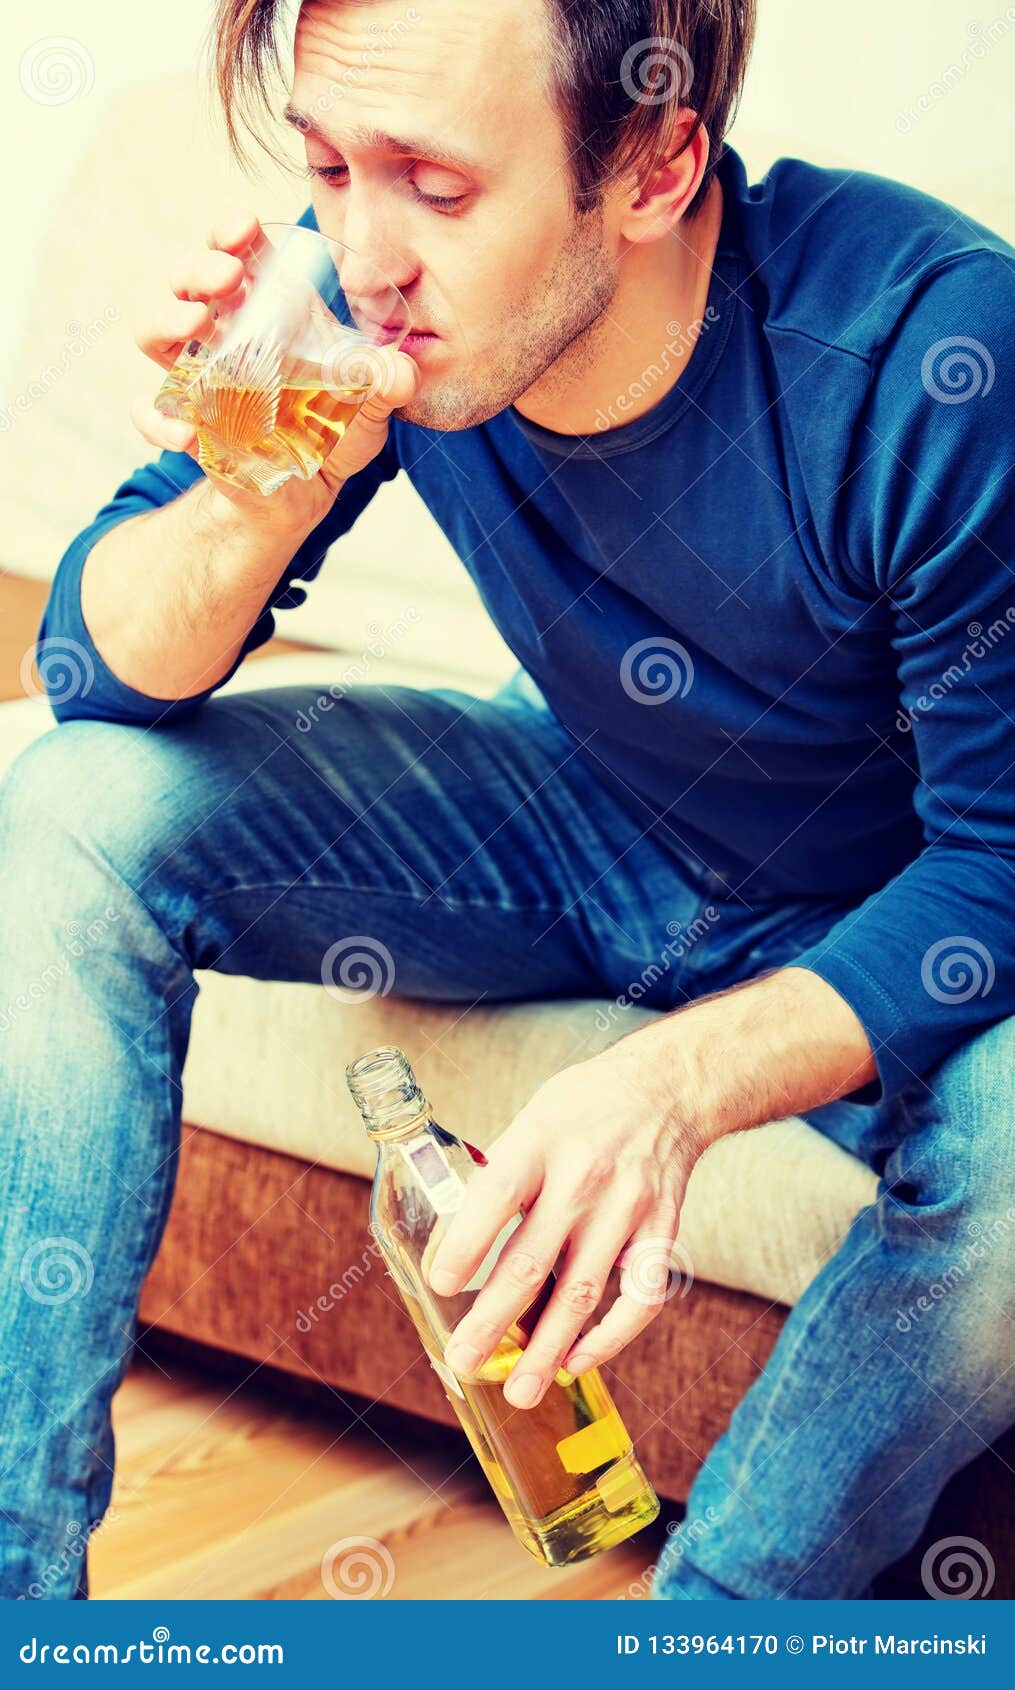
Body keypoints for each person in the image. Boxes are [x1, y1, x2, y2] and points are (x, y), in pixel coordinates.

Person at [1, 0, 1013, 1601]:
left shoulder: (929, 359)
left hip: (868, 899)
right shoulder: (361, 290)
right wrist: (260, 500)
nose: (363, 254)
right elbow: (91, 671)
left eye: (438, 187)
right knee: (64, 819)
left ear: (657, 166)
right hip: (582, 808)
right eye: (329, 167)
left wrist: (676, 1081)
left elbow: (999, 864)